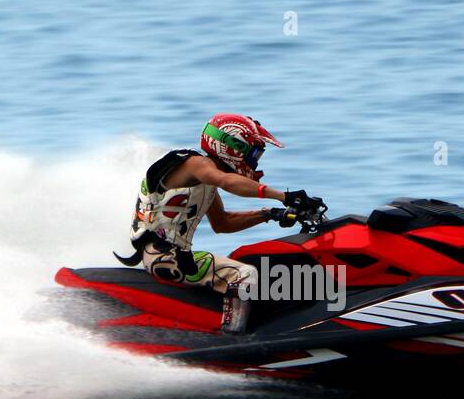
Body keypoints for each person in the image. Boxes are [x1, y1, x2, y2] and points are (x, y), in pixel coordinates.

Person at [117, 113, 323, 333]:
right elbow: (226, 181)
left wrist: (270, 214)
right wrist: (284, 196)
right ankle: (233, 338)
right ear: (232, 147)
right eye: (254, 154)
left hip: (174, 256)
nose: (255, 162)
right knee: (244, 274)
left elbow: (223, 223)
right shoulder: (194, 164)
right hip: (164, 256)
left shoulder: (204, 182)